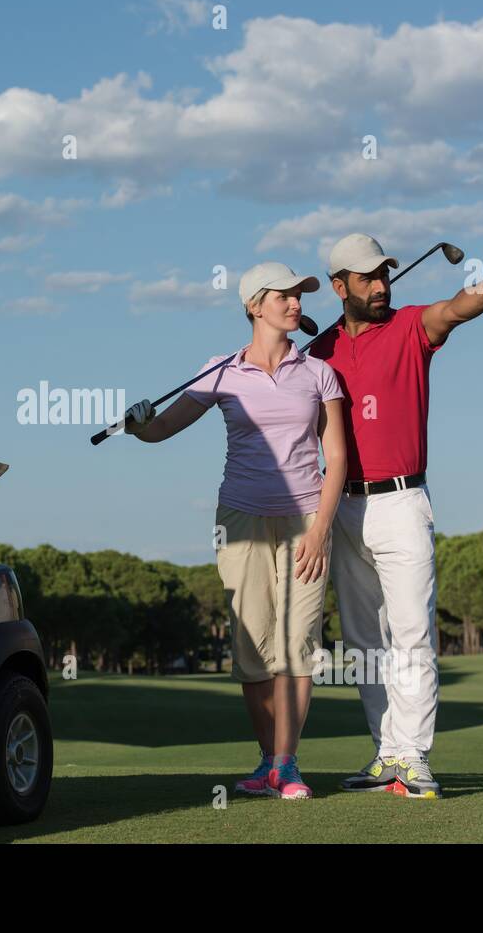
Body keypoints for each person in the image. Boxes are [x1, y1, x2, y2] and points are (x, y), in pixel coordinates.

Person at [309, 234, 483, 800]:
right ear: (340, 287)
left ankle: (414, 755)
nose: (381, 285)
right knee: (363, 641)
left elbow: (456, 307)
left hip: (402, 502)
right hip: (343, 506)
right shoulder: (320, 353)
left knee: (411, 633)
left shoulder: (410, 326)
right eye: (367, 278)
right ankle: (386, 754)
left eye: (385, 274)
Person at [121, 262, 347, 800]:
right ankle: (268, 760)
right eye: (284, 296)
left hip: (305, 520)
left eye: (298, 296)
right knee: (252, 648)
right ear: (254, 305)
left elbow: (335, 457)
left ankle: (288, 767)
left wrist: (319, 531)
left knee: (298, 645)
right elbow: (163, 430)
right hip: (240, 519)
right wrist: (137, 423)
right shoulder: (220, 370)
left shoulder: (317, 372)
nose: (295, 303)